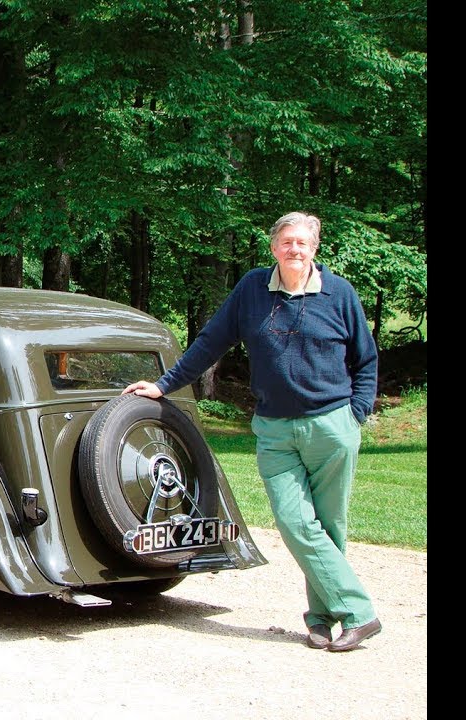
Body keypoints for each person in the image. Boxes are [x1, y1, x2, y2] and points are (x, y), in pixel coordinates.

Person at [123, 211, 382, 652]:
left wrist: (354, 415)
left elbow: (366, 359)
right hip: (274, 430)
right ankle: (360, 613)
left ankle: (322, 618)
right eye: (286, 242)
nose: (294, 249)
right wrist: (164, 384)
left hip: (331, 425)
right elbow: (211, 342)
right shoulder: (252, 290)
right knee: (295, 522)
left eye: (302, 242)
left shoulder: (339, 294)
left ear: (314, 247)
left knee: (328, 527)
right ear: (273, 247)